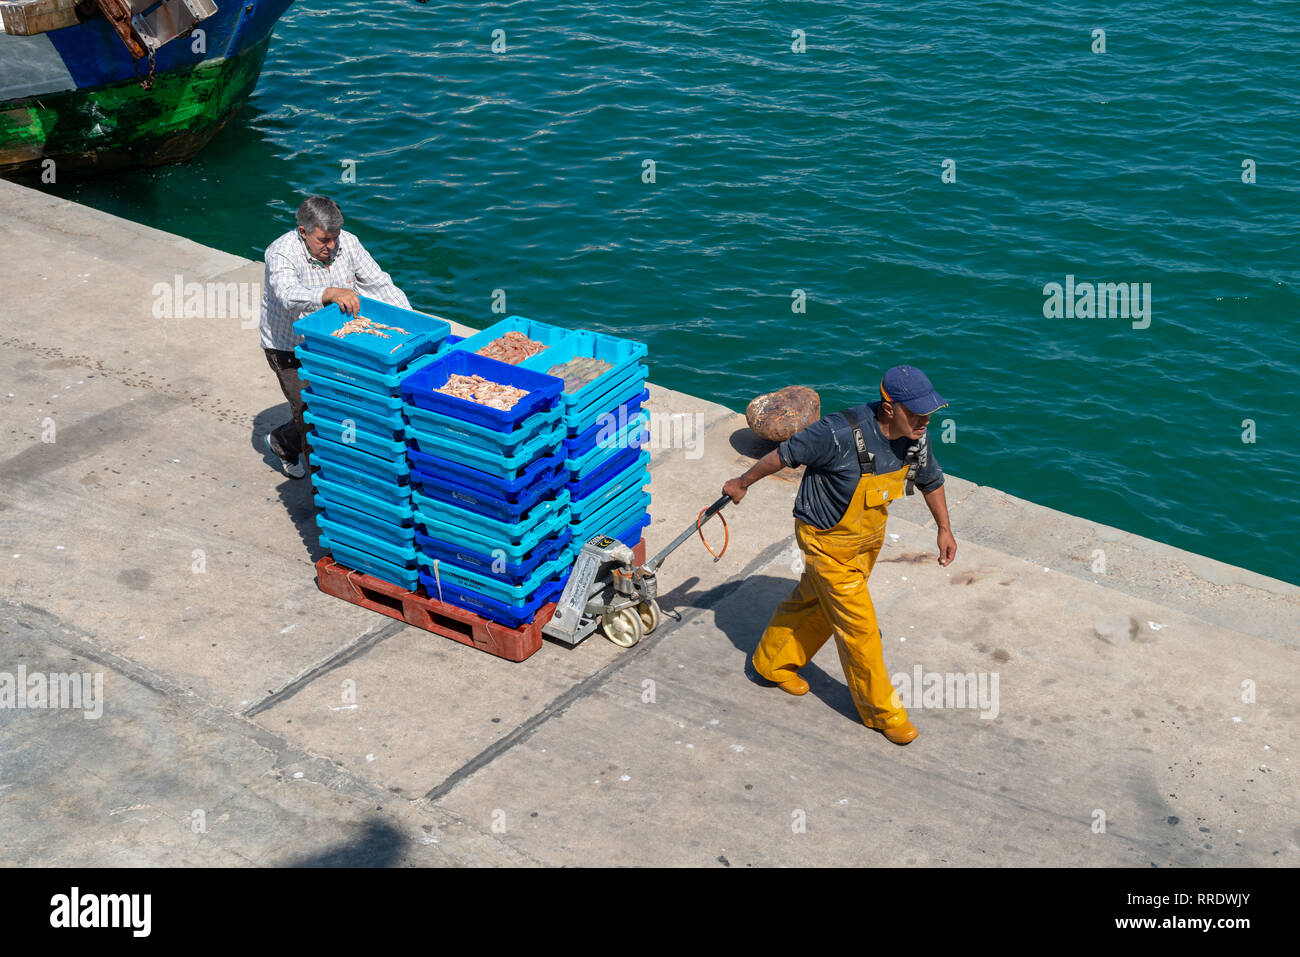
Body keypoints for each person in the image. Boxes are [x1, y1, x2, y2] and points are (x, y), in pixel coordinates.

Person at [722, 365, 957, 746]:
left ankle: (771, 664)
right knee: (860, 628)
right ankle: (883, 713)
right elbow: (784, 454)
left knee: (813, 601)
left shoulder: (916, 438)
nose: (924, 420)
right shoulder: (836, 433)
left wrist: (944, 528)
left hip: (866, 541)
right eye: (915, 412)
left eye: (928, 412)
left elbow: (930, 479)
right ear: (888, 408)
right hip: (825, 540)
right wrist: (741, 483)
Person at [258, 195, 412, 478]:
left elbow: (379, 284)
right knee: (310, 414)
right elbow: (288, 294)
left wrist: (410, 323)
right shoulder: (281, 252)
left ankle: (282, 441)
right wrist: (328, 294)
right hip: (290, 347)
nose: (331, 246)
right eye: (323, 240)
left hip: (333, 344)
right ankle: (324, 486)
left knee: (337, 405)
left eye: (335, 238)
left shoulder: (348, 242)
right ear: (303, 231)